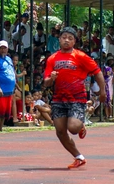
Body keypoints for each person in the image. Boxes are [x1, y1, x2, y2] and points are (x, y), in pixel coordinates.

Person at [43, 27, 105, 169]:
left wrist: (103, 92)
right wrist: (51, 78)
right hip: (59, 98)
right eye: (64, 37)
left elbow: (97, 72)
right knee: (60, 130)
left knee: (73, 128)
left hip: (77, 97)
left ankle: (80, 124)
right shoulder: (52, 59)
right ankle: (79, 157)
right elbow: (46, 82)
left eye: (70, 38)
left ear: (74, 41)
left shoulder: (81, 56)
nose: (66, 40)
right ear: (59, 39)